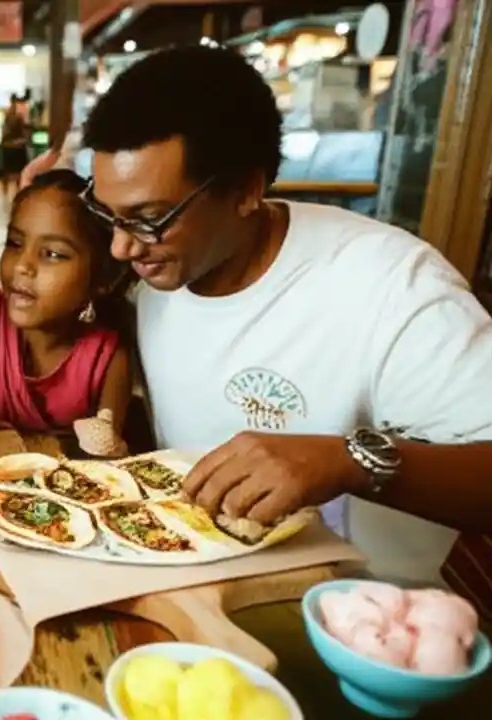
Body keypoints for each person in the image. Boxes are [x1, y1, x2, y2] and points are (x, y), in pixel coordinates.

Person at [74, 47, 492, 576]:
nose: (121, 247)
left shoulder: (390, 285)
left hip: (362, 613)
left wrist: (347, 461)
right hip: (193, 576)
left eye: (150, 218)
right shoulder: (145, 273)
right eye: (108, 214)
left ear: (247, 189)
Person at [0, 169, 131, 435]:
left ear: (103, 279)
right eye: (15, 243)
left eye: (53, 254)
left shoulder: (107, 359)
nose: (23, 265)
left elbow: (107, 455)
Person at [1, 94, 31, 201]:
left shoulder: (7, 114)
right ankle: (18, 190)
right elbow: (25, 131)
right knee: (21, 171)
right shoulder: (19, 115)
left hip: (8, 146)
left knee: (7, 171)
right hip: (18, 146)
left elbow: (5, 133)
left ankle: (6, 190)